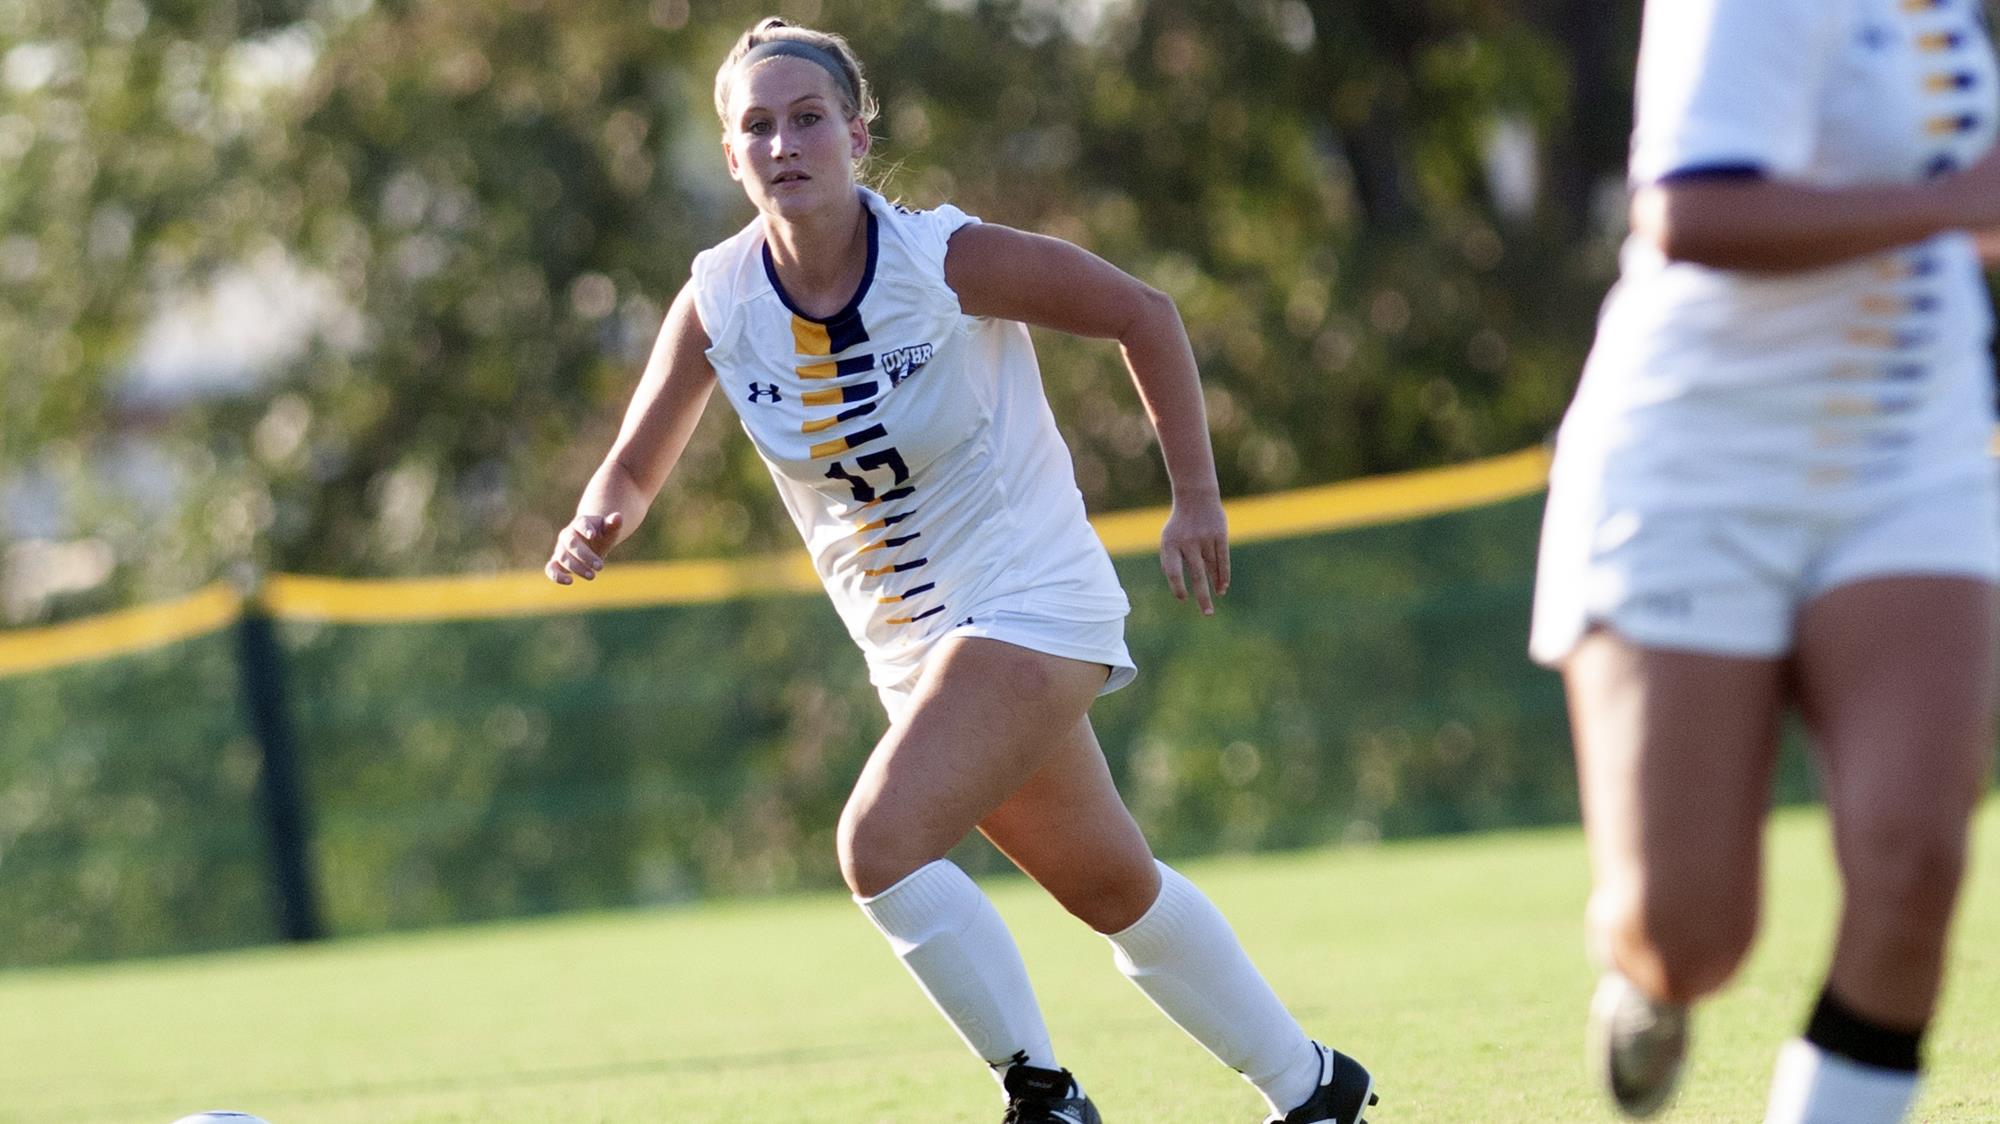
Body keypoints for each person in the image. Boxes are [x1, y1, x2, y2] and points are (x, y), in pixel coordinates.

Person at [545, 18, 1377, 1124]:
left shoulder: (940, 258)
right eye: (757, 126)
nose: (784, 142)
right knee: (1112, 888)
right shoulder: (718, 299)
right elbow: (633, 466)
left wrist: (1195, 498)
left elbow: (1144, 312)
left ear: (856, 131)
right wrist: (597, 522)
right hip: (912, 647)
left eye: (807, 118)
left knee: (877, 843)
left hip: (1032, 600)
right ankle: (1313, 1088)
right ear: (729, 151)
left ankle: (1043, 1098)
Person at [1531, 0, 2000, 1119]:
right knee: (1688, 935)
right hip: (1694, 466)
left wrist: (1963, 212)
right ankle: (1646, 975)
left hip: (1910, 453)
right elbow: (1687, 212)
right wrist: (1947, 206)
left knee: (1912, 858)